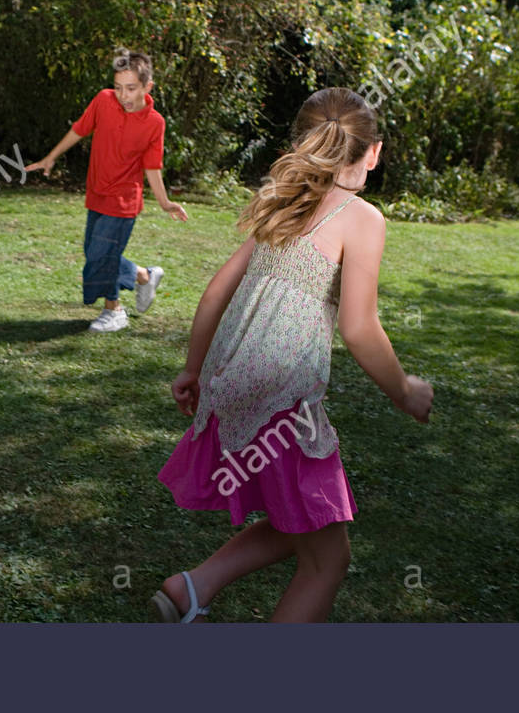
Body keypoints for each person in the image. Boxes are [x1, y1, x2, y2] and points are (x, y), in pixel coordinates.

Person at [152, 87, 434, 623]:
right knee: (328, 560)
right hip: (280, 399)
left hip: (228, 382)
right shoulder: (362, 218)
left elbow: (216, 292)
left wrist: (192, 370)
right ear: (373, 152)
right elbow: (358, 326)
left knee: (303, 514)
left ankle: (193, 588)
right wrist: (405, 391)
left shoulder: (283, 202)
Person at [25, 49, 187, 332]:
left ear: (147, 87)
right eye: (118, 87)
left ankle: (115, 311)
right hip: (97, 193)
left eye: (131, 88)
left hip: (124, 200)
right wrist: (51, 157)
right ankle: (144, 276)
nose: (123, 95)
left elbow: (152, 166)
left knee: (103, 256)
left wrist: (165, 202)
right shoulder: (103, 101)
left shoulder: (155, 123)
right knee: (94, 252)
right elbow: (79, 129)